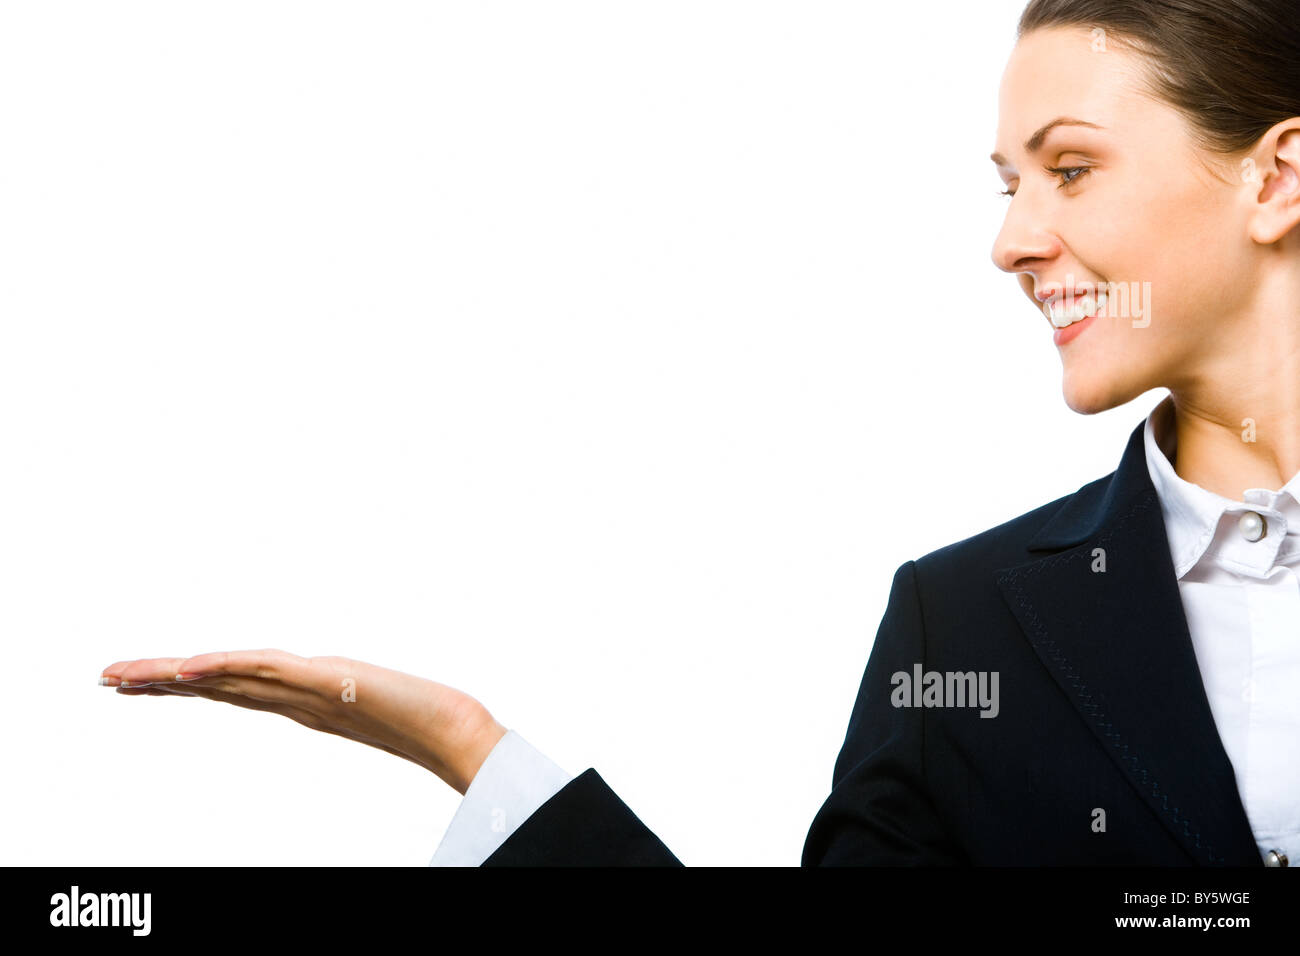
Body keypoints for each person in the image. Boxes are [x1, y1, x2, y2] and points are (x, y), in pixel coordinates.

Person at [101, 0, 1300, 866]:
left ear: (1274, 176)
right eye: (1008, 186)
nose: (1012, 243)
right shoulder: (967, 622)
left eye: (1072, 170)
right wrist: (479, 757)